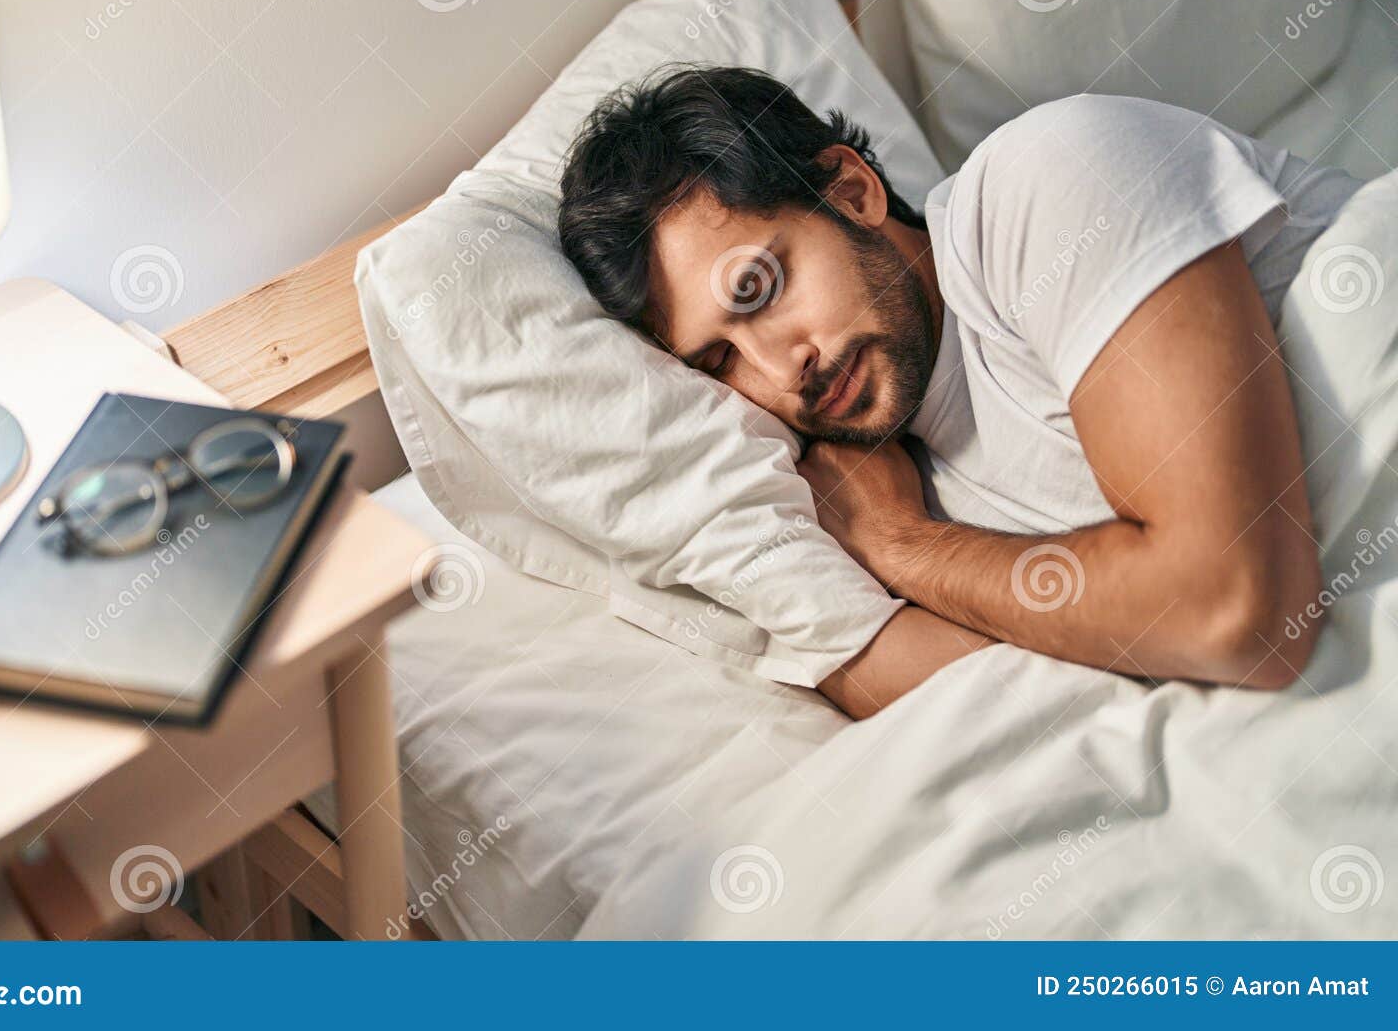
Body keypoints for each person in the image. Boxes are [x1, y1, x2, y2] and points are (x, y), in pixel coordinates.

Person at [557, 65, 1361, 720]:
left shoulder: (1044, 180)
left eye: (761, 288)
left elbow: (1242, 611)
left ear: (851, 191)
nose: (776, 372)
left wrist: (906, 546)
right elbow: (1067, 726)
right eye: (719, 362)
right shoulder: (872, 484)